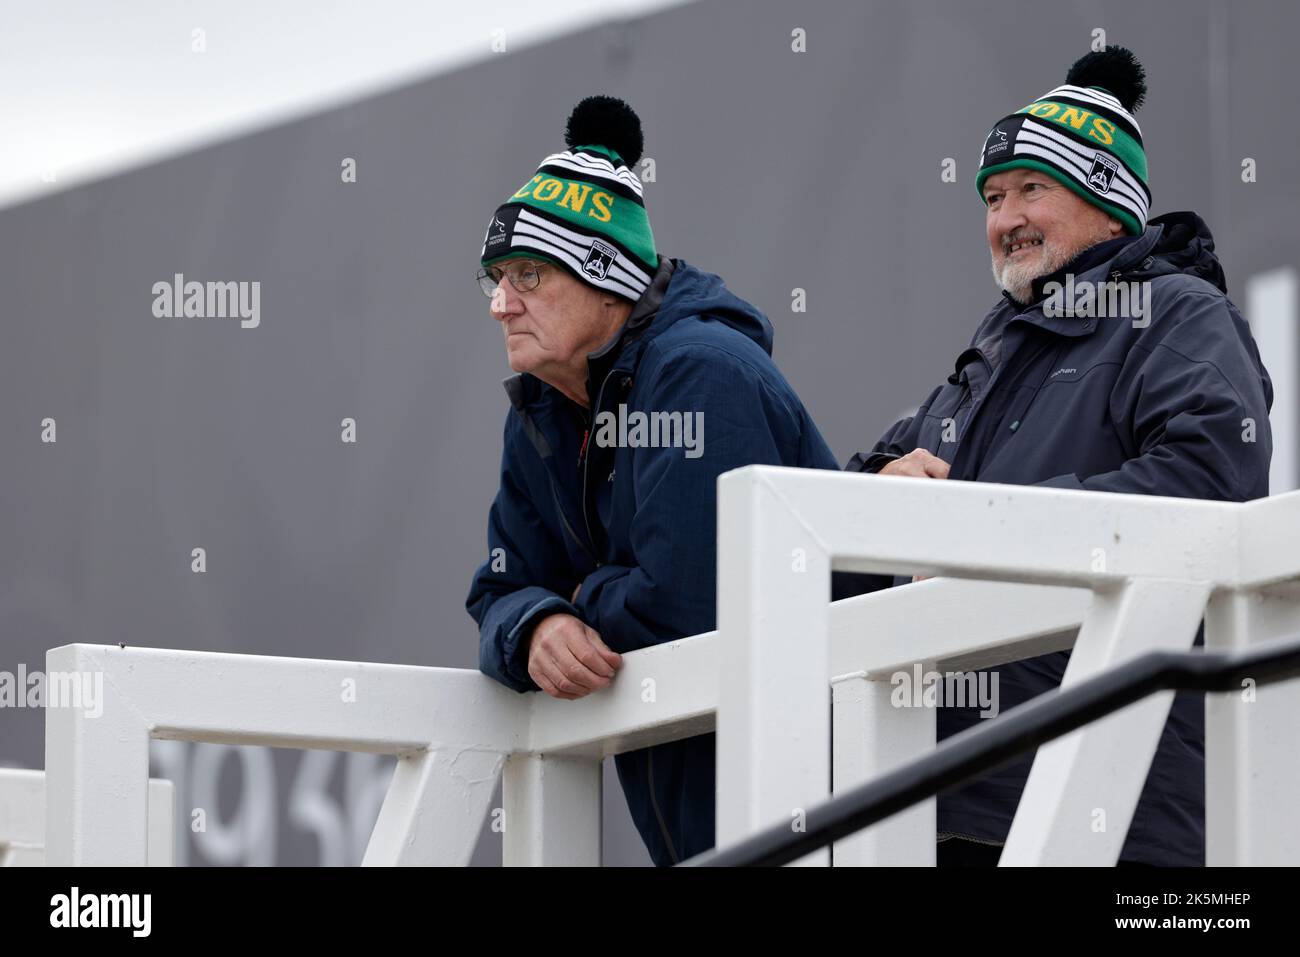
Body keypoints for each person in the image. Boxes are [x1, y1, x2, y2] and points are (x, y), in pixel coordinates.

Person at [845, 46, 1273, 866]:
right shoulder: (985, 362)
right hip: (955, 807)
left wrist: (989, 535)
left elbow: (1208, 480)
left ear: (1111, 205)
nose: (1005, 217)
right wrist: (878, 490)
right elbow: (829, 512)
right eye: (994, 196)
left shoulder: (1179, 316)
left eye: (1033, 189)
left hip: (1126, 814)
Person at [467, 95, 840, 865]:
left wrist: (581, 597)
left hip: (826, 801)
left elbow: (689, 605)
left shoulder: (701, 372)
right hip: (707, 816)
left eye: (528, 275)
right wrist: (536, 626)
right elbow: (496, 587)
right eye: (496, 280)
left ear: (608, 281)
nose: (503, 305)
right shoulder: (540, 406)